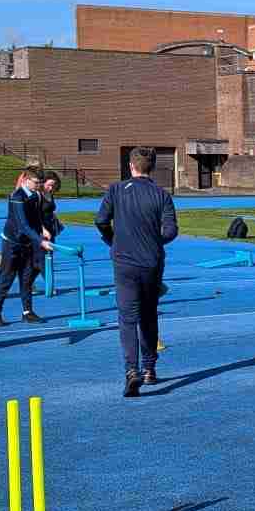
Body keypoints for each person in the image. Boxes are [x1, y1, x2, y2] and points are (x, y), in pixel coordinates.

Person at [96, 147, 180, 396]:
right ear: (151, 167)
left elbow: (100, 220)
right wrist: (155, 241)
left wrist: (113, 239)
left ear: (130, 166)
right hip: (151, 262)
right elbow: (171, 230)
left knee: (127, 318)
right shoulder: (162, 195)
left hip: (124, 263)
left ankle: (131, 370)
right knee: (149, 315)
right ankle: (149, 369)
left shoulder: (116, 190)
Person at [0, 167, 52, 326]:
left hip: (27, 243)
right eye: (36, 182)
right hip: (12, 243)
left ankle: (27, 312)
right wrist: (40, 241)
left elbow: (36, 217)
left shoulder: (37, 195)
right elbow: (23, 225)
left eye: (40, 182)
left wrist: (43, 229)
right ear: (26, 180)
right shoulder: (17, 197)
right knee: (7, 278)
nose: (38, 185)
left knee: (26, 278)